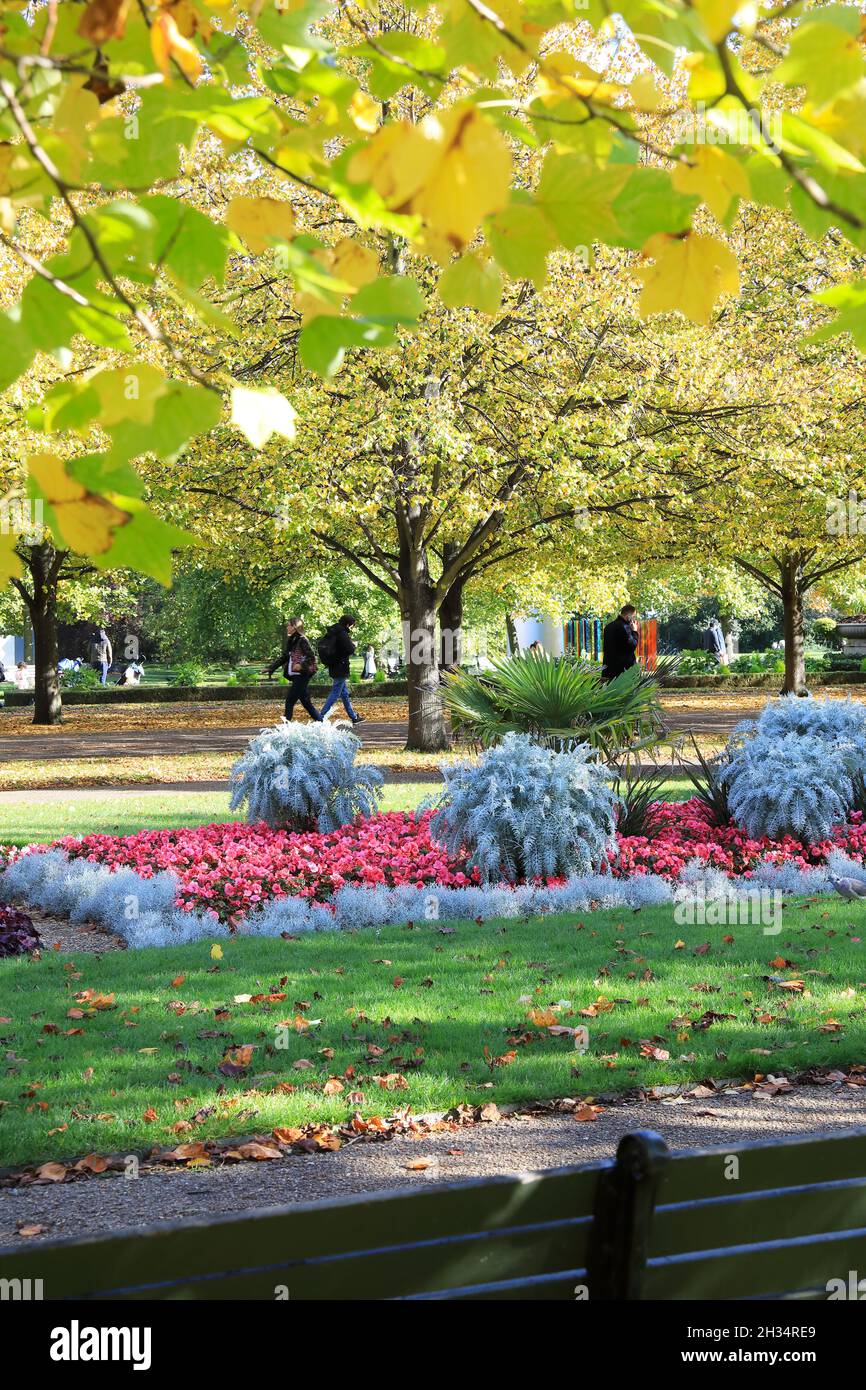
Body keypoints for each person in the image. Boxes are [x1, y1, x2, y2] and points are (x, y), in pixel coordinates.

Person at [262, 618, 321, 722]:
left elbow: (311, 657)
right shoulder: (292, 640)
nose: (287, 627)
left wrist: (301, 665)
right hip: (296, 675)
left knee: (290, 701)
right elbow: (285, 657)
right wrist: (271, 668)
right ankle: (322, 723)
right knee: (306, 702)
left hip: (302, 675)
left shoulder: (302, 640)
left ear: (294, 627)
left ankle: (285, 729)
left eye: (289, 625)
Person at [318, 614, 365, 724]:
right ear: (348, 624)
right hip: (341, 666)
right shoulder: (342, 633)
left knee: (344, 694)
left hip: (334, 665)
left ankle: (353, 717)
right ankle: (320, 716)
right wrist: (354, 645)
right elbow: (349, 650)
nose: (352, 628)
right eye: (352, 626)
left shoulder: (332, 631)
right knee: (335, 693)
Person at [602, 604, 640, 681]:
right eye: (633, 616)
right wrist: (635, 632)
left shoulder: (608, 627)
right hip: (623, 671)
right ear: (628, 616)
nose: (634, 619)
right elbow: (632, 645)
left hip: (609, 668)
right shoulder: (625, 627)